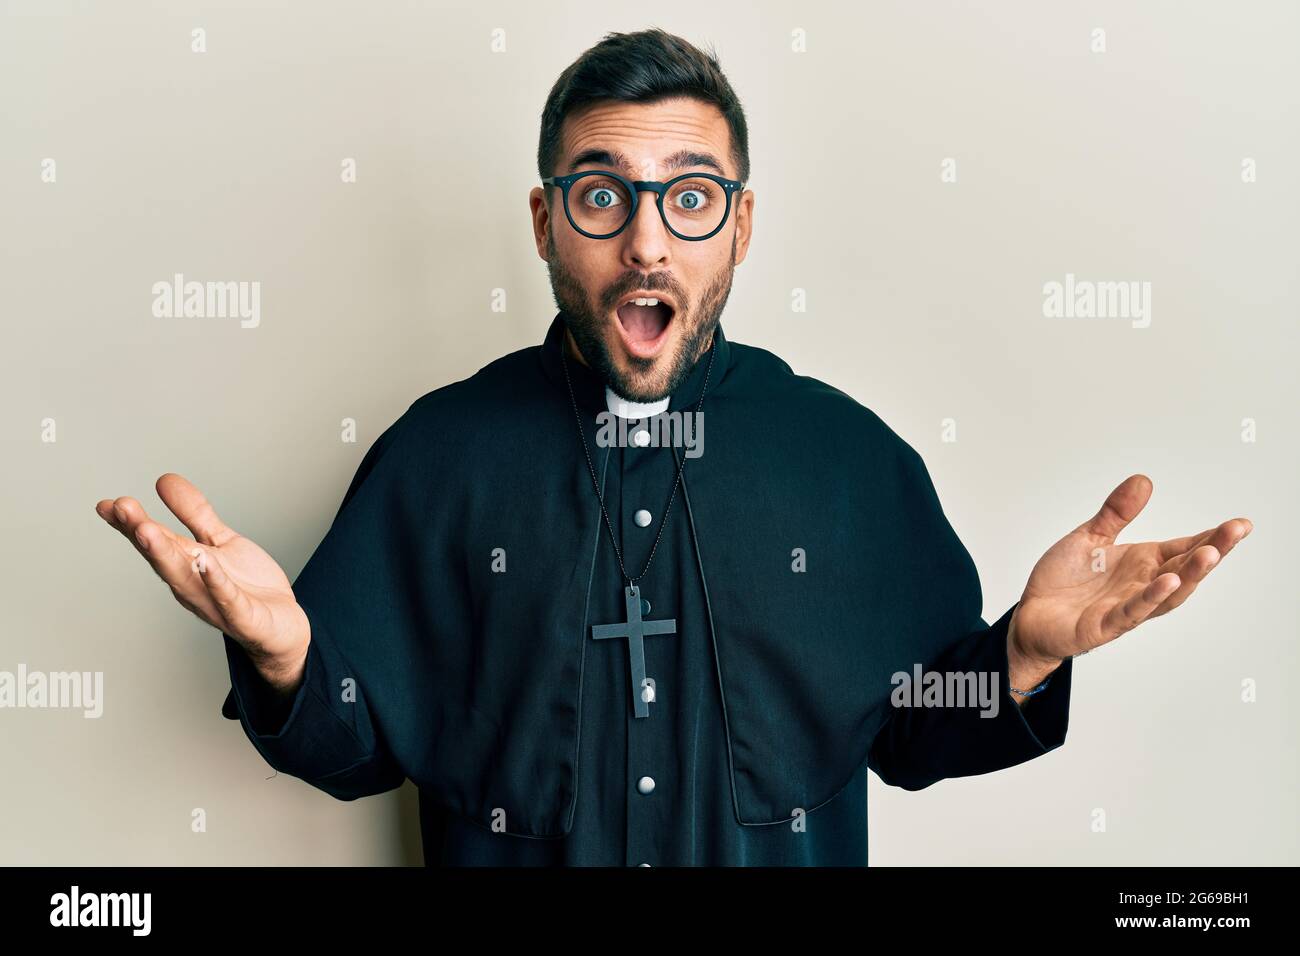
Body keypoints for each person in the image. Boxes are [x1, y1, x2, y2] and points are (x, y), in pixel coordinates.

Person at [95, 28, 1251, 866]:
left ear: (739, 225)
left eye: (689, 198)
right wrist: (292, 655)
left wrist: (1021, 655)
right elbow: (357, 749)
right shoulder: (437, 457)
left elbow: (908, 732)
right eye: (602, 196)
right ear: (547, 221)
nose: (646, 241)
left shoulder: (849, 463)